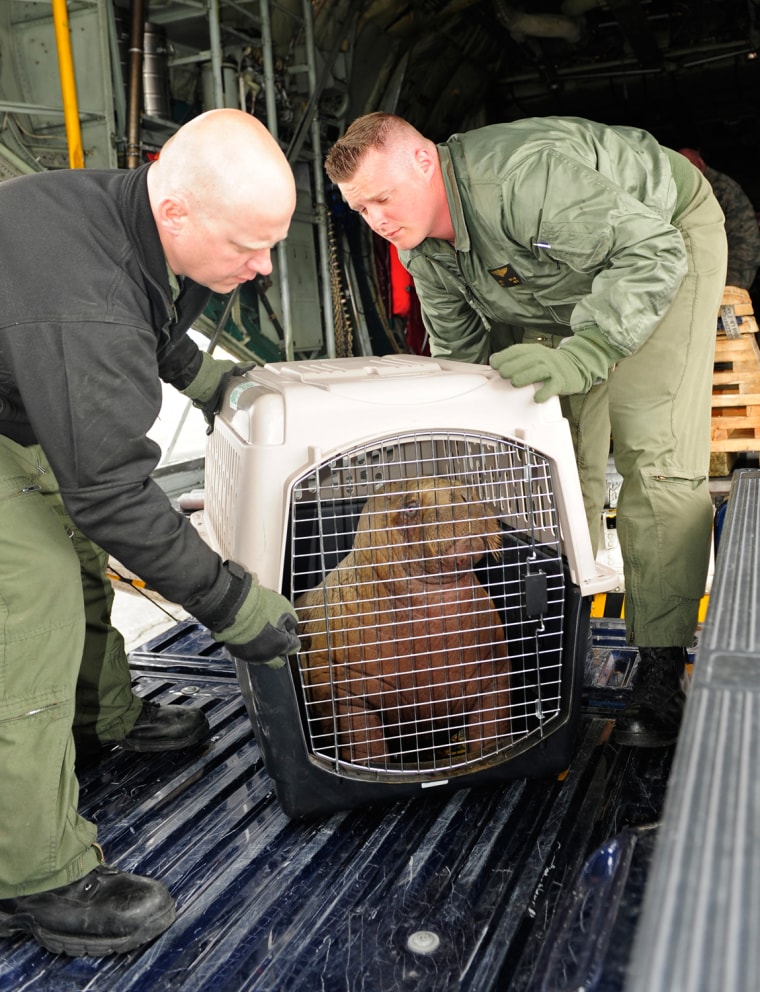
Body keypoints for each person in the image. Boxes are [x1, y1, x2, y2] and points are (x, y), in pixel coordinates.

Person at [325, 112, 727, 751]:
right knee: (553, 453)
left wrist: (586, 352)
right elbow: (459, 353)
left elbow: (652, 252)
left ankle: (658, 671)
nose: (375, 219)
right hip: (560, 277)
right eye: (359, 208)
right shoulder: (418, 243)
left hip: (661, 239)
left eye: (382, 198)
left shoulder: (524, 181)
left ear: (424, 162)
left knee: (655, 452)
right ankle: (556, 641)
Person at [0, 108, 301, 956]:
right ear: (179, 212)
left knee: (77, 550)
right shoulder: (84, 298)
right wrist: (233, 604)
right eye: (250, 245)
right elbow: (112, 496)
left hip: (19, 391)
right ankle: (33, 878)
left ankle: (103, 718)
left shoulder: (131, 215)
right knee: (32, 595)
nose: (263, 264)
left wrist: (210, 378)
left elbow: (154, 310)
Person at [679, 147, 760, 290]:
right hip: (728, 255)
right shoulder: (704, 185)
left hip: (738, 255)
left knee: (728, 300)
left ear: (701, 164)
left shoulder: (717, 187)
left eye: (689, 166)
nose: (686, 172)